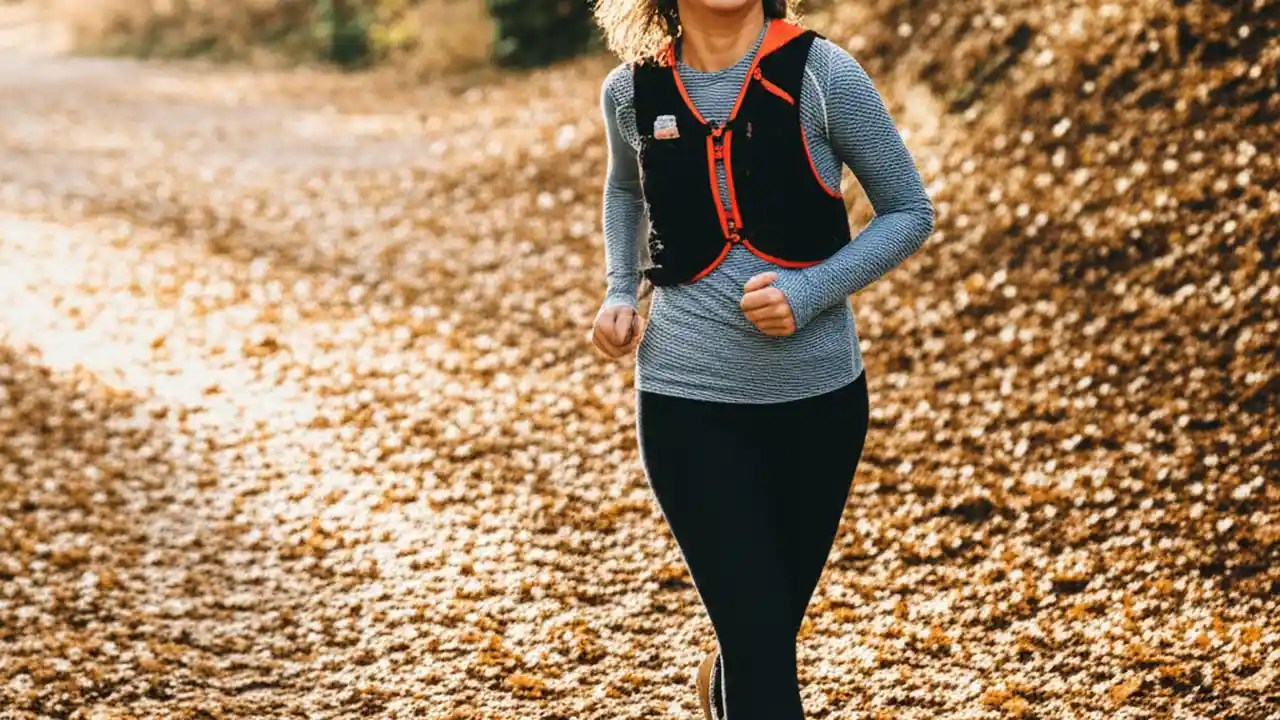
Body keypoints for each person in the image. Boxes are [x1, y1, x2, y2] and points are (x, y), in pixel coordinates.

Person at [587, 1, 935, 718]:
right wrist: (622, 288)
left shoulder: (823, 76)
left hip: (818, 404)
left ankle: (728, 681)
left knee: (762, 631)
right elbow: (626, 186)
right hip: (687, 403)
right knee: (762, 648)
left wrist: (811, 290)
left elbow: (908, 210)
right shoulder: (630, 92)